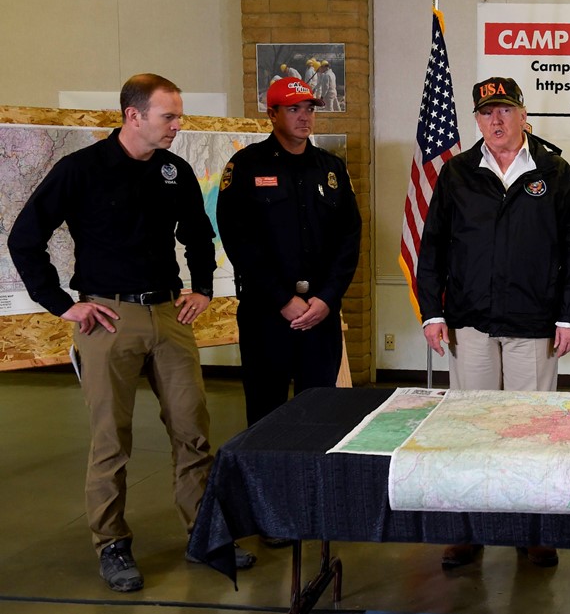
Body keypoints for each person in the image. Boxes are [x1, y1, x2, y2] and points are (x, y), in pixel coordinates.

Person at [6, 73, 255, 592]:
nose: (177, 125)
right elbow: (24, 237)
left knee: (193, 430)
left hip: (169, 315)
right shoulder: (81, 170)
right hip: (107, 319)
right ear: (133, 115)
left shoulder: (174, 170)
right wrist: (61, 306)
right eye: (169, 116)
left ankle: (203, 531)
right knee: (110, 441)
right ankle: (112, 544)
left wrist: (204, 287)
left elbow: (197, 235)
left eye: (179, 115)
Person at [416, 76, 570, 569]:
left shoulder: (554, 171)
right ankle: (469, 529)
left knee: (532, 431)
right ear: (476, 119)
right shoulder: (457, 174)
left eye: (505, 110)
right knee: (471, 429)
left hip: (533, 322)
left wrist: (569, 317)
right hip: (469, 321)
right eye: (487, 112)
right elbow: (434, 248)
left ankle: (532, 529)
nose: (497, 120)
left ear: (522, 114)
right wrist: (433, 311)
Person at [217, 77, 361, 431]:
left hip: (320, 314)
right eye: (293, 109)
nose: (304, 117)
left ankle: (314, 484)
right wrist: (282, 299)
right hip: (268, 315)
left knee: (322, 413)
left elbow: (349, 238)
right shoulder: (246, 166)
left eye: (309, 109)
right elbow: (239, 241)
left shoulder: (331, 168)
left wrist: (327, 298)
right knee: (267, 416)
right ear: (272, 113)